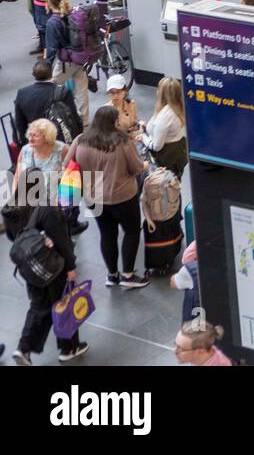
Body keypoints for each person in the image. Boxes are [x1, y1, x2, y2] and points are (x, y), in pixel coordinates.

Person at [70, 104, 149, 289]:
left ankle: (112, 275)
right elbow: (136, 168)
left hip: (93, 198)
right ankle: (128, 275)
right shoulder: (122, 142)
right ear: (114, 121)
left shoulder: (81, 140)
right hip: (122, 196)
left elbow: (69, 164)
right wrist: (145, 165)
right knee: (130, 232)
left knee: (107, 234)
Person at [9, 189, 85, 365]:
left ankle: (23, 348)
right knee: (64, 305)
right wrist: (71, 267)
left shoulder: (30, 207)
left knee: (39, 308)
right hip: (52, 267)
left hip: (32, 266)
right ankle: (69, 348)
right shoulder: (50, 210)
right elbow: (62, 242)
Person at [13, 59, 79, 141]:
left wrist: (25, 144)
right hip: (59, 140)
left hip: (35, 141)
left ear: (34, 74)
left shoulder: (22, 93)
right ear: (51, 73)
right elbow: (73, 118)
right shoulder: (62, 92)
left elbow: (20, 124)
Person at [142, 76, 188, 178]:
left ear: (162, 93)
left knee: (167, 187)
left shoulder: (165, 116)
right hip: (179, 149)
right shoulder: (180, 107)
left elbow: (157, 146)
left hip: (167, 156)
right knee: (175, 182)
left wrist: (143, 138)